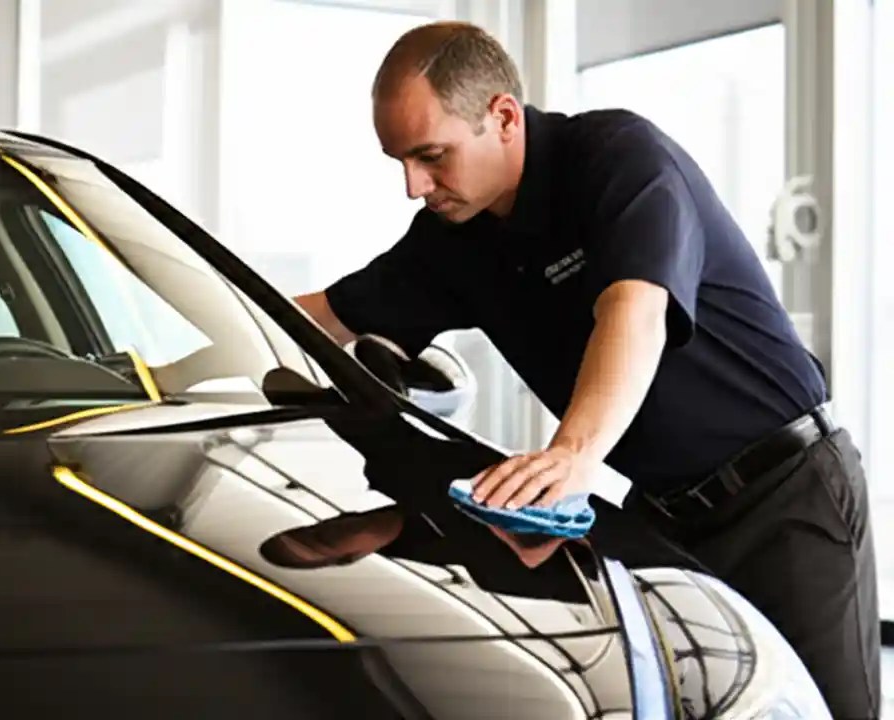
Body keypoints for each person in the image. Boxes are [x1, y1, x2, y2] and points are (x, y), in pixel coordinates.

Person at [292, 20, 879, 719]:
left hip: (787, 496)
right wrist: (154, 338)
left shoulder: (617, 158)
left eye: (431, 156)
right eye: (401, 162)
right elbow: (319, 315)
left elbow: (635, 309)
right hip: (663, 513)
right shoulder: (454, 239)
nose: (415, 186)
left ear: (503, 117)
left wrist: (572, 454)